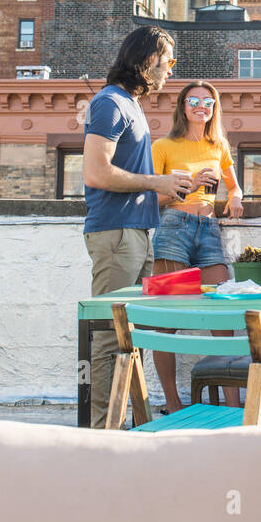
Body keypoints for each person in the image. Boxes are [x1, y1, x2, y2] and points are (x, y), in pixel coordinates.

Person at [81, 26, 192, 429]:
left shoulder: (131, 105)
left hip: (138, 233)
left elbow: (133, 183)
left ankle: (130, 427)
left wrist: (174, 187)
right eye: (168, 60)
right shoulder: (109, 102)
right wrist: (155, 181)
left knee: (133, 336)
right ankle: (104, 433)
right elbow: (96, 172)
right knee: (112, 338)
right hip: (117, 234)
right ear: (148, 60)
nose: (171, 69)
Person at [150, 80, 245, 412]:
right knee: (167, 320)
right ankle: (173, 403)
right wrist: (187, 188)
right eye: (194, 100)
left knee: (223, 315)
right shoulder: (163, 146)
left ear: (214, 109)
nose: (201, 106)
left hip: (208, 229)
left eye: (208, 101)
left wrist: (234, 198)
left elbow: (235, 187)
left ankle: (234, 405)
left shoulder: (218, 146)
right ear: (182, 106)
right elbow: (151, 198)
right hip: (173, 227)